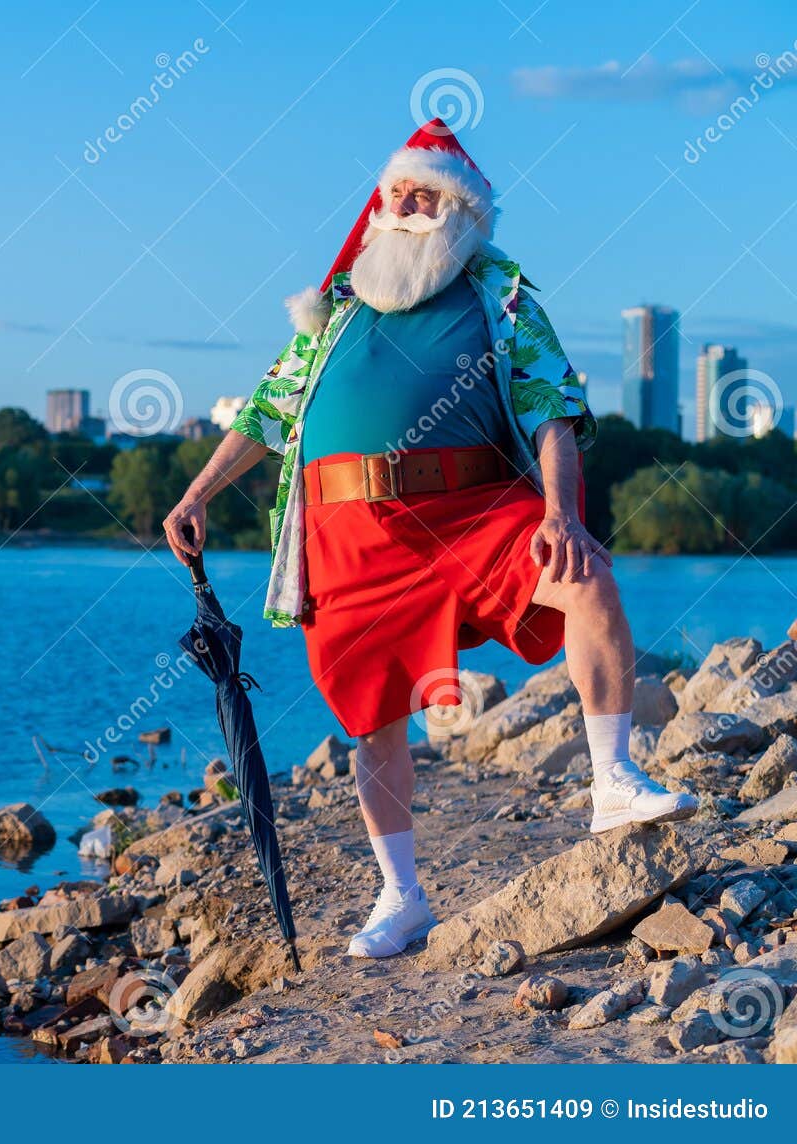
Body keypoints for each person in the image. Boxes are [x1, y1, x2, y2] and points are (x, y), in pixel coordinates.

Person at [162, 119, 697, 960]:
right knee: (370, 711)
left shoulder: (497, 289)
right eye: (397, 192)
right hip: (348, 536)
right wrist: (196, 492)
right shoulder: (334, 309)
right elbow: (267, 411)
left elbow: (552, 407)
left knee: (586, 578)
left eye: (426, 194)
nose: (405, 204)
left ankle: (612, 780)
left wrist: (561, 513)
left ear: (461, 212)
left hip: (473, 513)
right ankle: (402, 896)